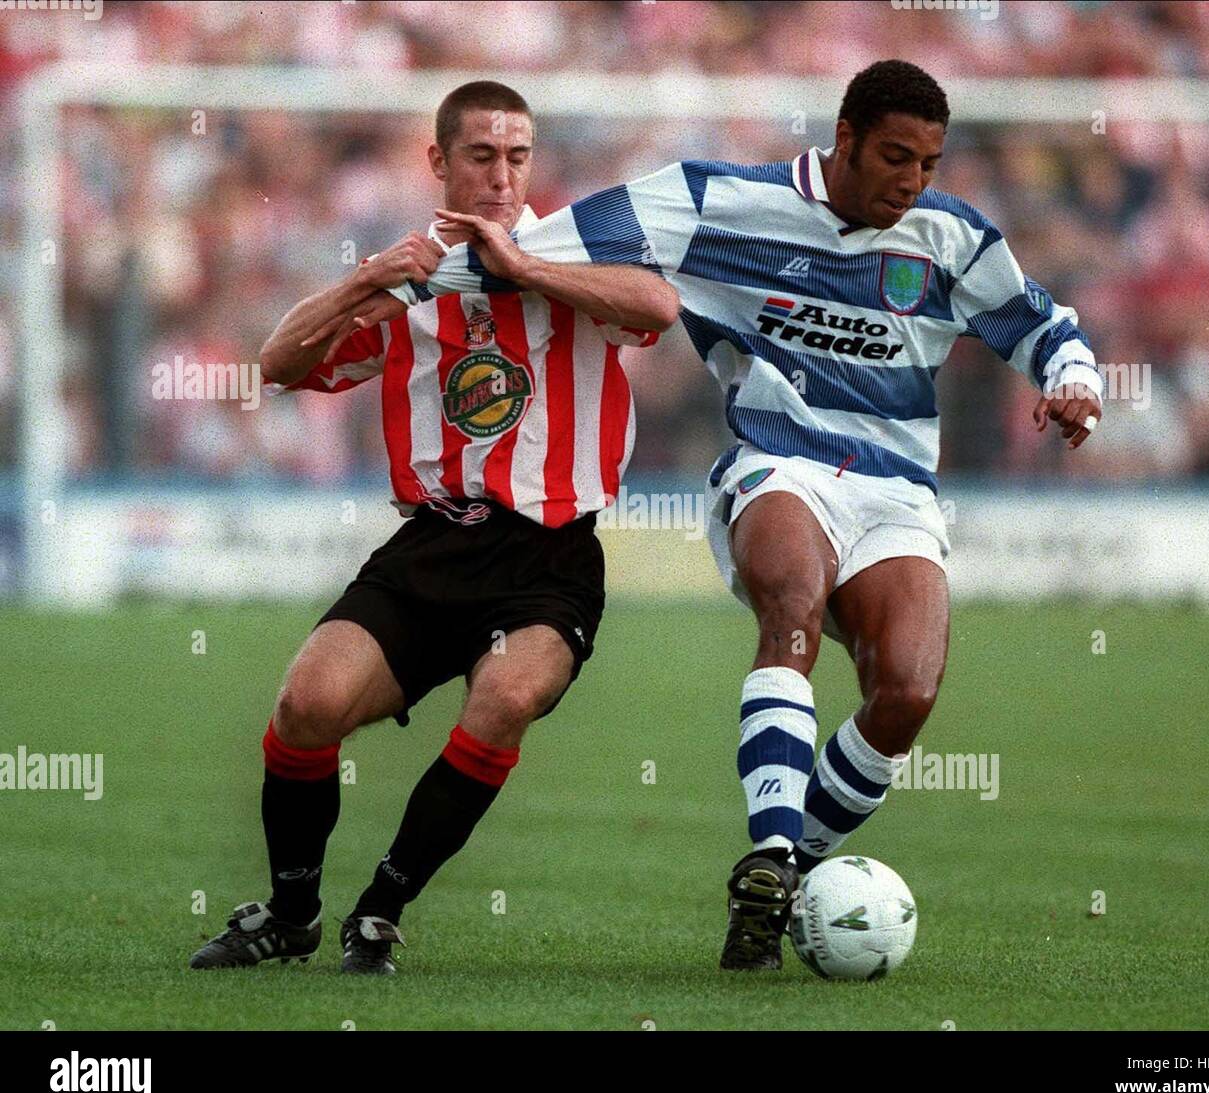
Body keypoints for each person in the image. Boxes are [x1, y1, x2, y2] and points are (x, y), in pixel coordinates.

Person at [363, 60, 1105, 972]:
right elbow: (551, 244)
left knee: (906, 693)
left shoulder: (952, 235)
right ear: (845, 140)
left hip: (897, 492)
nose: (911, 181)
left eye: (929, 163)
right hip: (778, 462)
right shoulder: (714, 201)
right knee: (791, 610)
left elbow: (1039, 324)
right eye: (894, 157)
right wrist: (403, 279)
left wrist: (1074, 377)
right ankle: (770, 850)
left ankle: (785, 874)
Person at [189, 81, 678, 975]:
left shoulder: (568, 252)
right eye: (482, 157)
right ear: (439, 162)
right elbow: (280, 363)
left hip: (548, 559)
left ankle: (382, 908)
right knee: (306, 707)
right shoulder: (409, 284)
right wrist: (366, 278)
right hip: (431, 549)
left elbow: (657, 307)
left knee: (506, 698)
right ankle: (292, 914)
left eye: (517, 157)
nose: (502, 176)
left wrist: (526, 268)